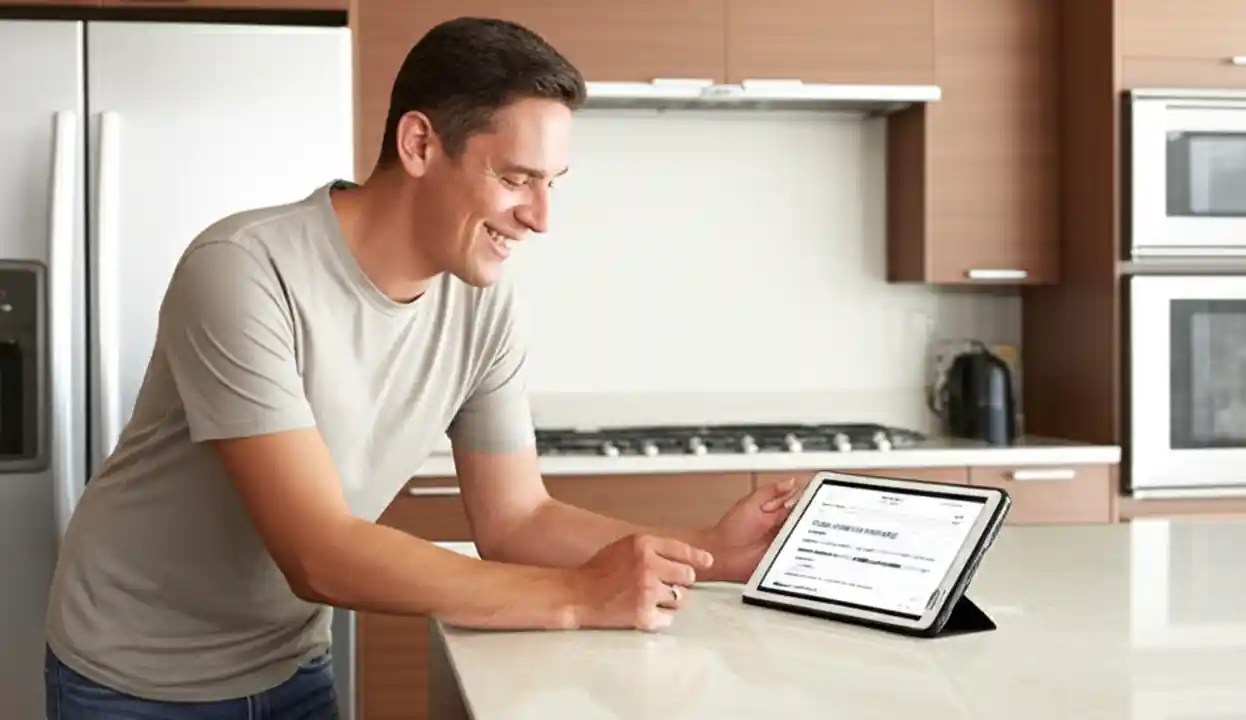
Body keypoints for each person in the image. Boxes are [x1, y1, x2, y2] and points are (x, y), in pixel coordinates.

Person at [42, 16, 801, 719]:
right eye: (515, 178)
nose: (541, 217)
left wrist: (703, 552)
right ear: (419, 145)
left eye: (552, 183)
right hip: (132, 678)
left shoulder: (483, 305)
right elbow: (318, 552)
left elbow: (516, 519)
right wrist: (574, 596)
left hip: (289, 666)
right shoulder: (246, 270)